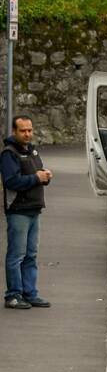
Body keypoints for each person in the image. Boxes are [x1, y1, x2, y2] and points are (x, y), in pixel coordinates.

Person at [1, 114, 52, 309]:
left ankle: (30, 293)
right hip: (18, 210)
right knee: (17, 255)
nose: (27, 134)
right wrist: (36, 178)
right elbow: (11, 181)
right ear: (14, 132)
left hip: (34, 208)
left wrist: (45, 176)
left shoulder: (33, 151)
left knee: (31, 254)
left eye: (30, 130)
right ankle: (13, 295)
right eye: (23, 131)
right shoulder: (9, 153)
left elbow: (35, 174)